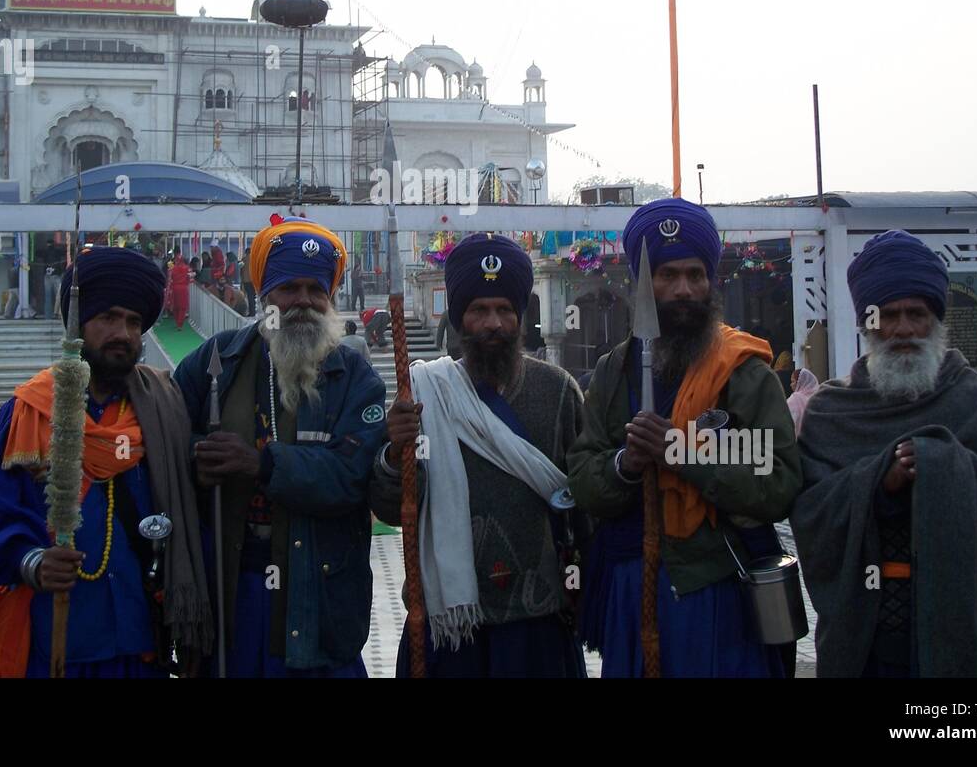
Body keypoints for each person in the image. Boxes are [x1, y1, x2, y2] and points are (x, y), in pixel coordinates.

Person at [790, 230, 977, 678]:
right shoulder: (832, 411)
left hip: (964, 633)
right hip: (867, 639)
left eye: (917, 314)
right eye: (888, 315)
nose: (903, 330)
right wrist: (879, 482)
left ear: (937, 320)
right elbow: (808, 510)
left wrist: (945, 466)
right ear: (866, 322)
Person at [567, 198, 802, 678]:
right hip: (631, 584)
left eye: (695, 275)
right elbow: (583, 474)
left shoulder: (743, 371)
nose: (683, 290)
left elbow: (776, 479)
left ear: (711, 280)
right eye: (667, 275)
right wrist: (626, 463)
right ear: (642, 283)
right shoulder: (614, 370)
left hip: (714, 589)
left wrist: (680, 450)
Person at [0, 246, 212, 677]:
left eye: (134, 322)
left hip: (139, 642)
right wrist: (32, 562)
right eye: (108, 317)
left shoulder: (162, 406)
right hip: (57, 640)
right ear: (78, 325)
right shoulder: (30, 412)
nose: (123, 333)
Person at [173, 216, 386, 678]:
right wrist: (196, 458)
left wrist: (261, 464)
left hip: (318, 591)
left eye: (315, 290)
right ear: (264, 295)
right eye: (289, 288)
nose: (302, 301)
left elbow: (351, 476)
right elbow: (166, 442)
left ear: (330, 299)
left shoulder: (355, 378)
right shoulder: (216, 361)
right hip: (232, 588)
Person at [372, 234, 587, 678]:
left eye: (505, 310)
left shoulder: (559, 391)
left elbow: (583, 502)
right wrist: (395, 454)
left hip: (537, 618)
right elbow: (395, 511)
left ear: (520, 317)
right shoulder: (424, 393)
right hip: (448, 622)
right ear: (459, 319)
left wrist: (584, 589)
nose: (493, 324)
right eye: (479, 310)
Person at [787, 368, 819, 435]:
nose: (791, 385)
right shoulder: (818, 398)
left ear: (800, 382)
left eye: (793, 381)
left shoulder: (795, 399)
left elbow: (787, 421)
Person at [167, 251, 192, 330]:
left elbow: (170, 278)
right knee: (182, 307)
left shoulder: (172, 268)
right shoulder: (187, 268)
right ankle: (180, 324)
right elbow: (190, 278)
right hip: (183, 288)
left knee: (175, 306)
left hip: (174, 288)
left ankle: (177, 322)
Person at [240, 244, 256, 316]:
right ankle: (254, 311)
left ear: (246, 252)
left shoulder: (243, 260)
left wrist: (241, 279)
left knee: (250, 296)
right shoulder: (254, 259)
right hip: (254, 280)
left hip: (246, 280)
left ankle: (252, 312)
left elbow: (240, 269)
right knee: (254, 296)